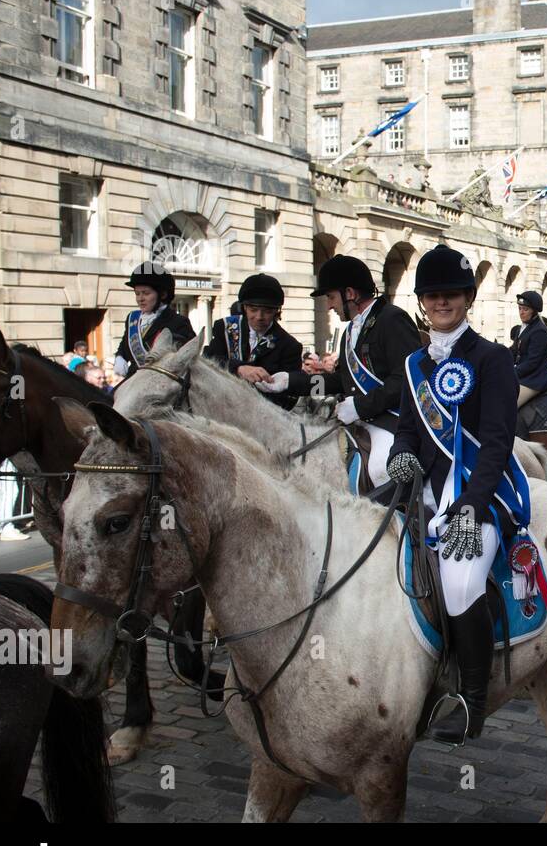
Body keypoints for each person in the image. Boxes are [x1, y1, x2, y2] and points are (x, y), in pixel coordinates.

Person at [385, 243, 528, 746]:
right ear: (422, 302)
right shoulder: (414, 365)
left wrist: (471, 505)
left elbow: (496, 442)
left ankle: (473, 700)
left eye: (451, 294)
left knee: (461, 581)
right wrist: (401, 454)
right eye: (432, 295)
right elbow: (406, 428)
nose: (441, 303)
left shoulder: (491, 359)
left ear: (467, 299)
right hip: (422, 492)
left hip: (480, 493)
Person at [259, 253, 421, 486]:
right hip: (362, 418)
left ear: (350, 294)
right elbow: (341, 381)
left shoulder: (392, 319)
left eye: (330, 297)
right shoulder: (349, 333)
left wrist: (359, 406)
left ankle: (408, 521)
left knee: (380, 469)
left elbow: (406, 379)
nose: (328, 306)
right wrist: (290, 382)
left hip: (394, 421)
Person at [203, 273, 303, 410]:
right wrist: (238, 368)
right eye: (253, 310)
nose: (259, 317)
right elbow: (207, 360)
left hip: (260, 417)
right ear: (244, 307)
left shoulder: (289, 346)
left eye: (267, 311)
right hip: (217, 408)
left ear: (276, 311)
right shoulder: (225, 328)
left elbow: (289, 397)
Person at [113, 261, 196, 379]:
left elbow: (184, 360)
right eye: (137, 294)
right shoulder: (132, 318)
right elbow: (124, 346)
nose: (140, 299)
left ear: (162, 294)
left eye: (146, 293)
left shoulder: (179, 323)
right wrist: (120, 357)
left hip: (161, 383)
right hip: (133, 379)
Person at [511, 290, 547, 408]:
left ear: (534, 311)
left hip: (534, 379)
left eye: (525, 309)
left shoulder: (539, 331)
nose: (521, 312)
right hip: (523, 374)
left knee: (507, 404)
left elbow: (532, 362)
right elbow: (513, 351)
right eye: (519, 308)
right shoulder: (522, 328)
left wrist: (511, 372)